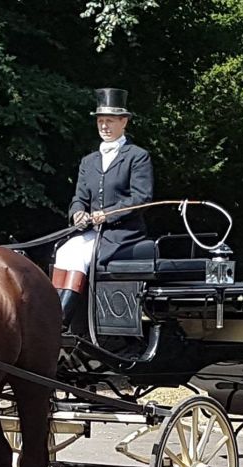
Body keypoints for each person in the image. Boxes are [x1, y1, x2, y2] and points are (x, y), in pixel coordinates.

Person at [52, 87, 154, 325]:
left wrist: (105, 215)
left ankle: (62, 319)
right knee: (64, 251)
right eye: (100, 121)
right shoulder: (89, 161)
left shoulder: (137, 156)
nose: (104, 126)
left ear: (124, 122)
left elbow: (141, 198)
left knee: (79, 257)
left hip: (124, 233)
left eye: (110, 121)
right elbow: (79, 197)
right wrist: (77, 212)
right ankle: (55, 312)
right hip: (91, 232)